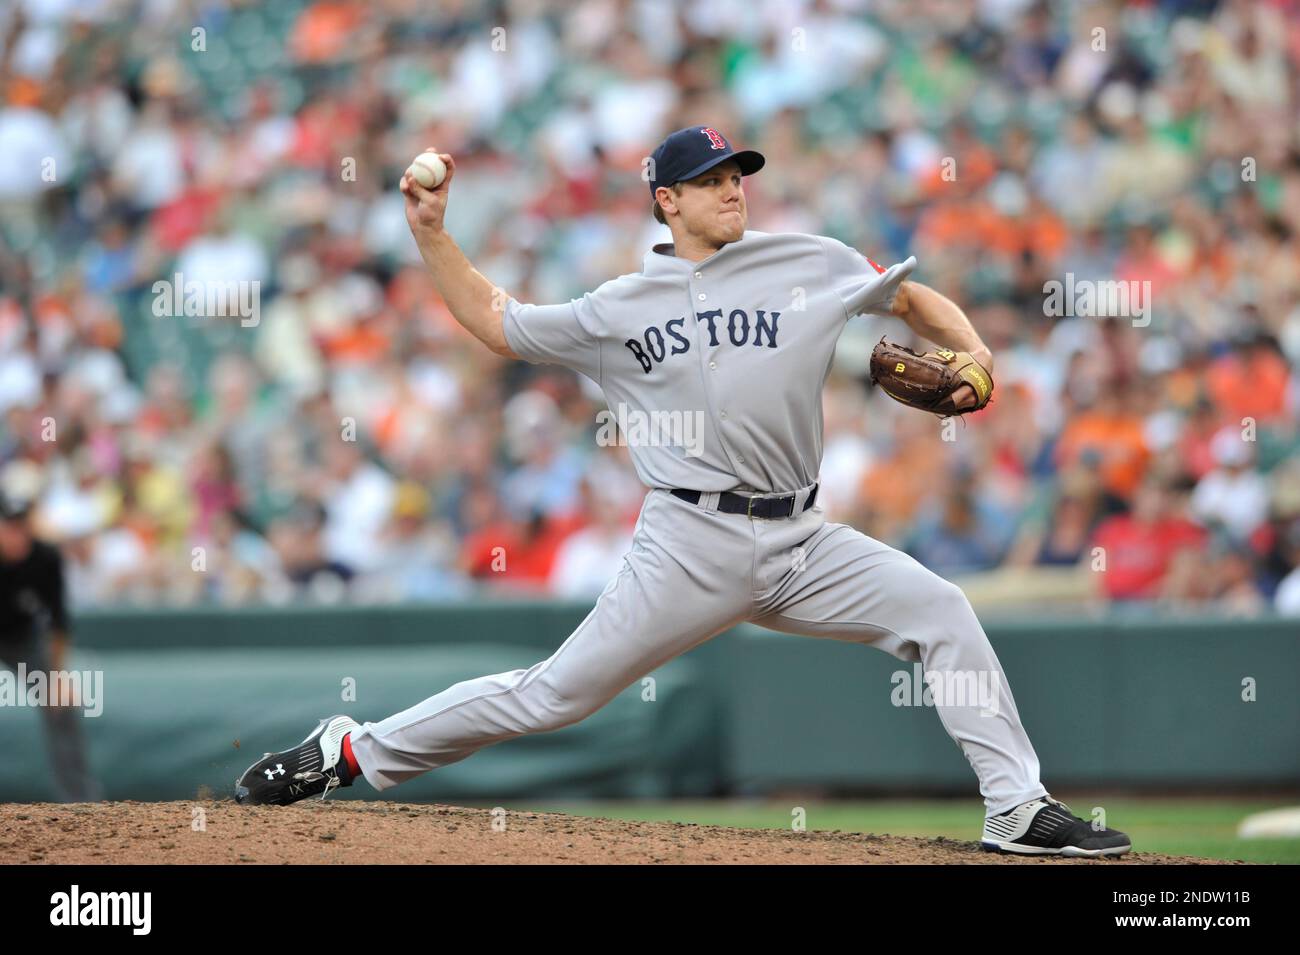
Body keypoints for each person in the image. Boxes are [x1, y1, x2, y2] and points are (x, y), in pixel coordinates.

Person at [235, 126, 1130, 857]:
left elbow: (910, 300)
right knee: (556, 695)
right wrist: (432, 235)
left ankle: (1017, 809)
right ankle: (349, 749)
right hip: (687, 543)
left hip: (803, 538)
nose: (734, 188)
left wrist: (974, 355)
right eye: (711, 180)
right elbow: (496, 322)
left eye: (738, 174)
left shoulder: (808, 260)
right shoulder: (619, 307)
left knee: (941, 610)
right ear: (667, 200)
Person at [0, 491, 103, 803]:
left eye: (22, 526)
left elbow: (58, 622)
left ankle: (80, 803)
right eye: (9, 527)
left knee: (63, 705)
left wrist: (56, 675)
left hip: (23, 641)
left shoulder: (44, 557)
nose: (18, 535)